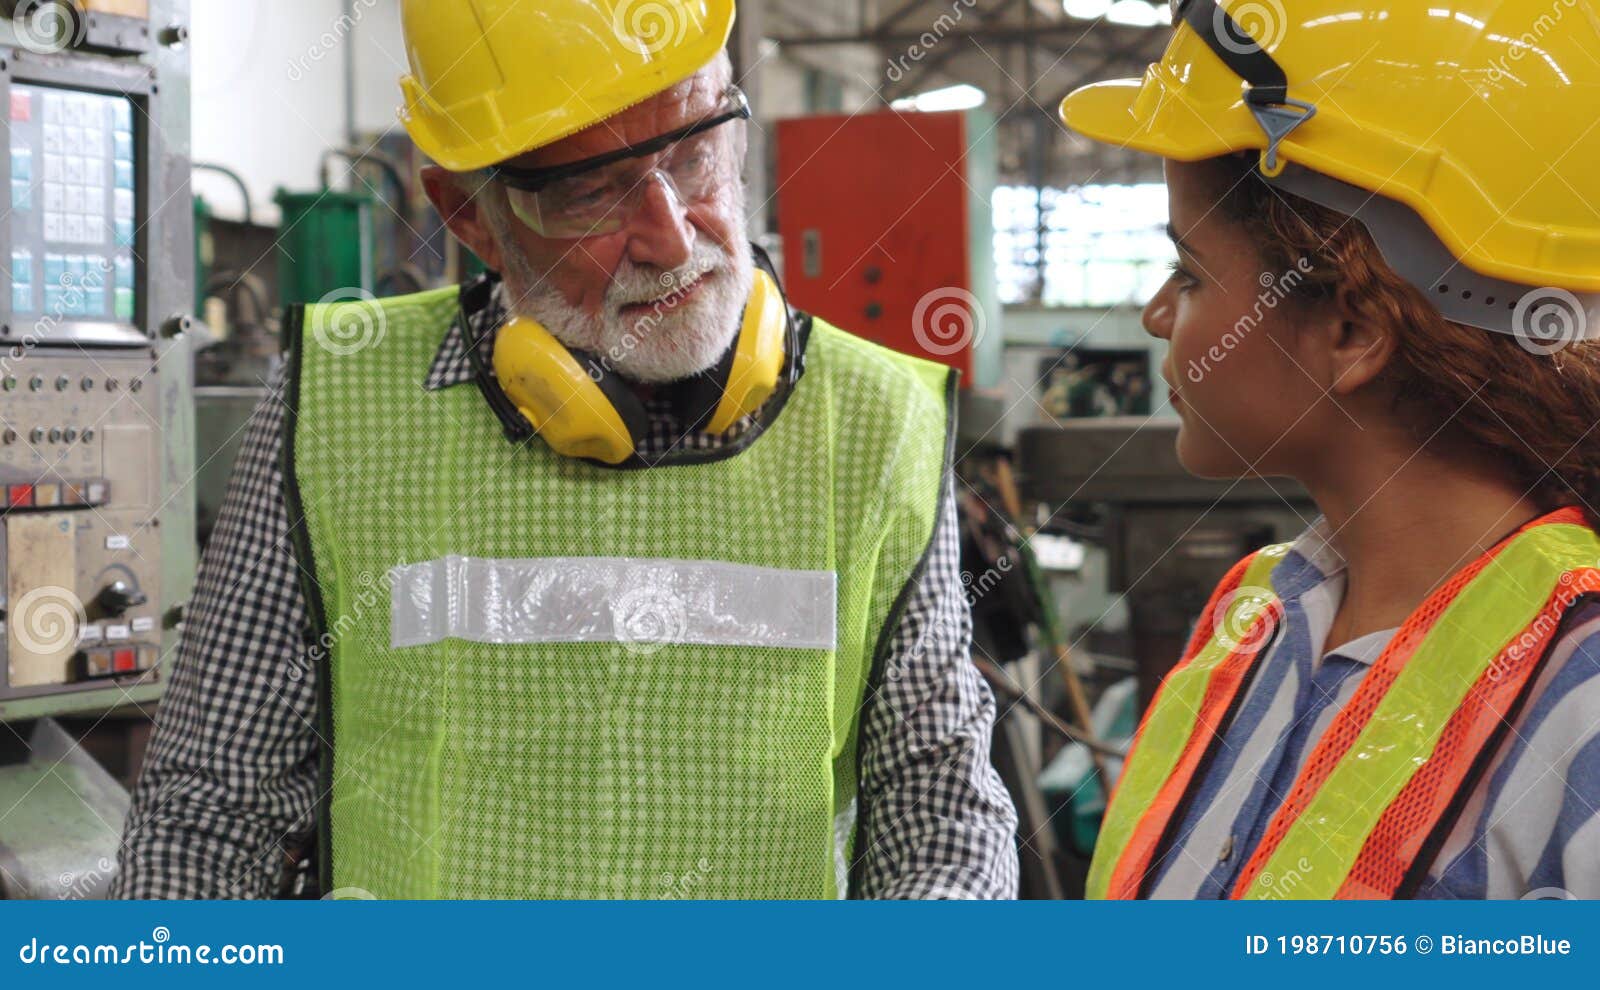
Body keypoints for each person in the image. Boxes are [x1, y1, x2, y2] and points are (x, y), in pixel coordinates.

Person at [111, 0, 1017, 899]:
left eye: (695, 155)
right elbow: (211, 812)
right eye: (592, 191)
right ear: (468, 215)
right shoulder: (340, 406)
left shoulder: (878, 419)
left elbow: (940, 812)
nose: (672, 237)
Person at [1059, 0, 1600, 898]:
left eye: (1189, 272)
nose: (1157, 316)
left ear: (1350, 327)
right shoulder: (1253, 622)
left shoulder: (1578, 703)